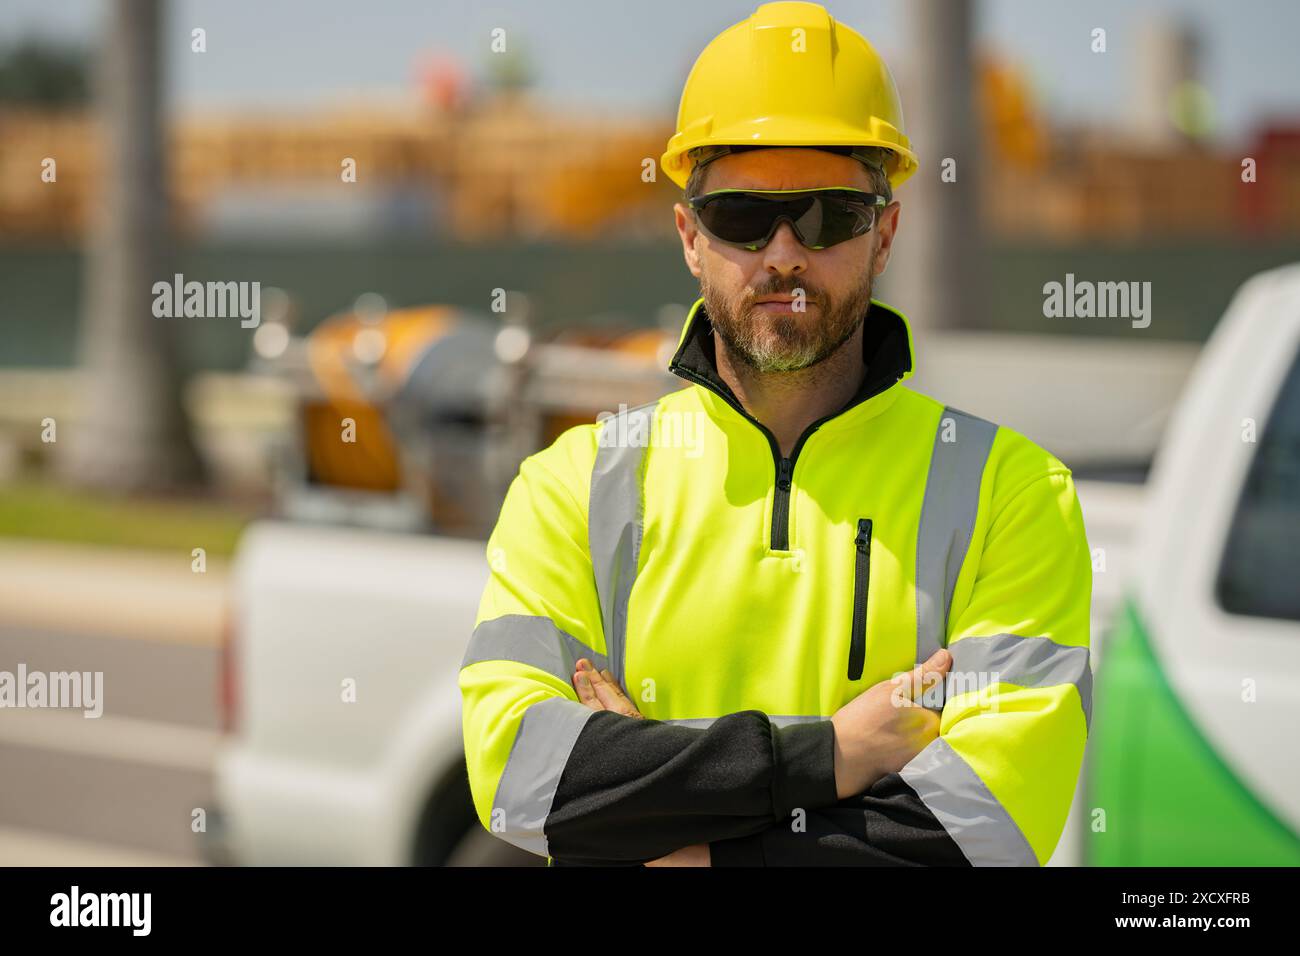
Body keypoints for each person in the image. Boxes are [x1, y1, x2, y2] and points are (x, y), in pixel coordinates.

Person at [458, 0, 1092, 867]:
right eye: (742, 217)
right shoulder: (573, 485)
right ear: (690, 236)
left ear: (886, 233)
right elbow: (524, 780)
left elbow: (984, 832)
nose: (785, 254)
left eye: (829, 215)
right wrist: (827, 757)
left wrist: (682, 848)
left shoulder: (1013, 493)